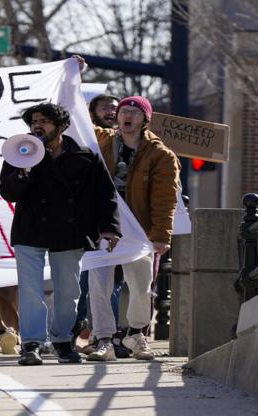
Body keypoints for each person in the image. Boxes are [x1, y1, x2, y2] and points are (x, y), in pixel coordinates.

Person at [0, 101, 119, 366]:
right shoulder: (20, 152)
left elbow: (104, 195)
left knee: (68, 291)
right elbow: (7, 192)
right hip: (31, 230)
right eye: (34, 122)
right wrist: (22, 173)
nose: (37, 127)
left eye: (44, 122)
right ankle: (31, 343)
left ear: (62, 126)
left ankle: (63, 340)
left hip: (69, 231)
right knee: (31, 291)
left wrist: (108, 228)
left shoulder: (85, 156)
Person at [85, 95, 178, 361]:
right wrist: (73, 78)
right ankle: (103, 339)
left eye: (135, 113)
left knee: (140, 286)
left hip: (139, 230)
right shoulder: (102, 141)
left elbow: (165, 199)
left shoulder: (160, 155)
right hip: (104, 226)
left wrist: (161, 236)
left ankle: (136, 335)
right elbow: (75, 119)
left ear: (146, 120)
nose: (127, 116)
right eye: (124, 111)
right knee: (99, 284)